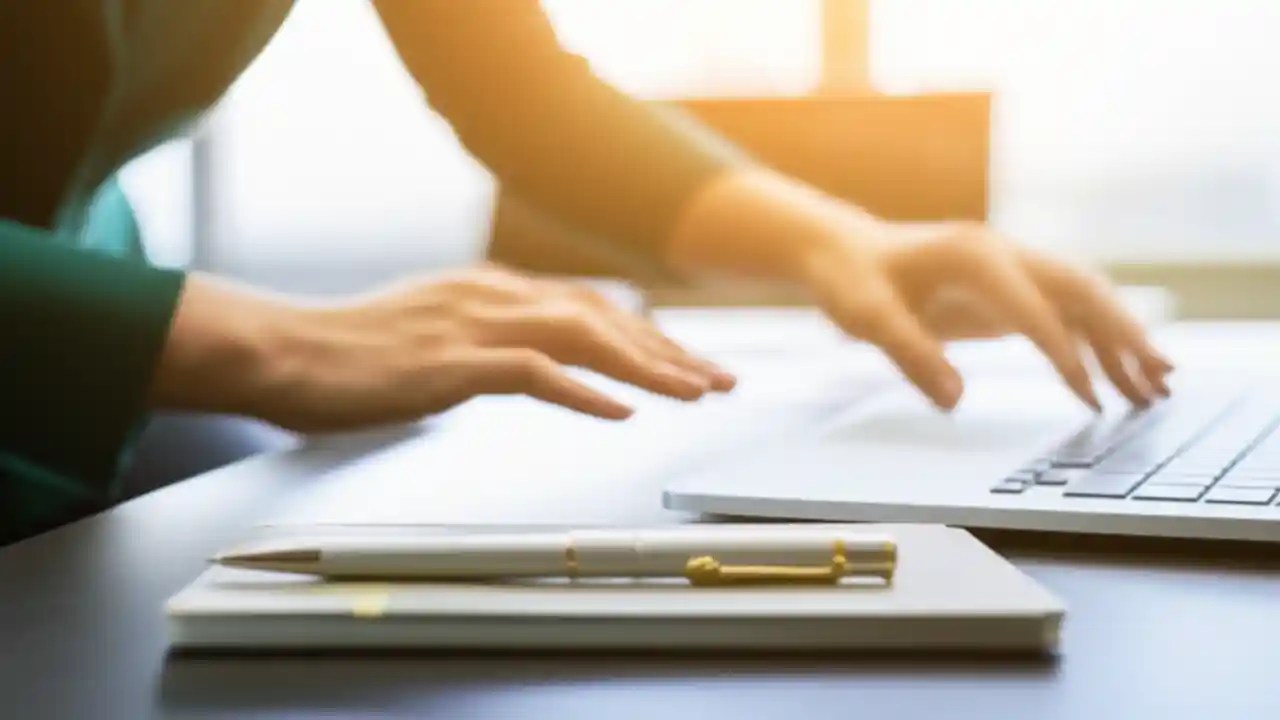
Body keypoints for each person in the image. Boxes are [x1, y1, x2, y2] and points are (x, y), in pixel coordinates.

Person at [0, 1, 1171, 545]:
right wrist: (256, 338)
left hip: (112, 331)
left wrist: (838, 240)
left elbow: (518, 85)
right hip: (98, 331)